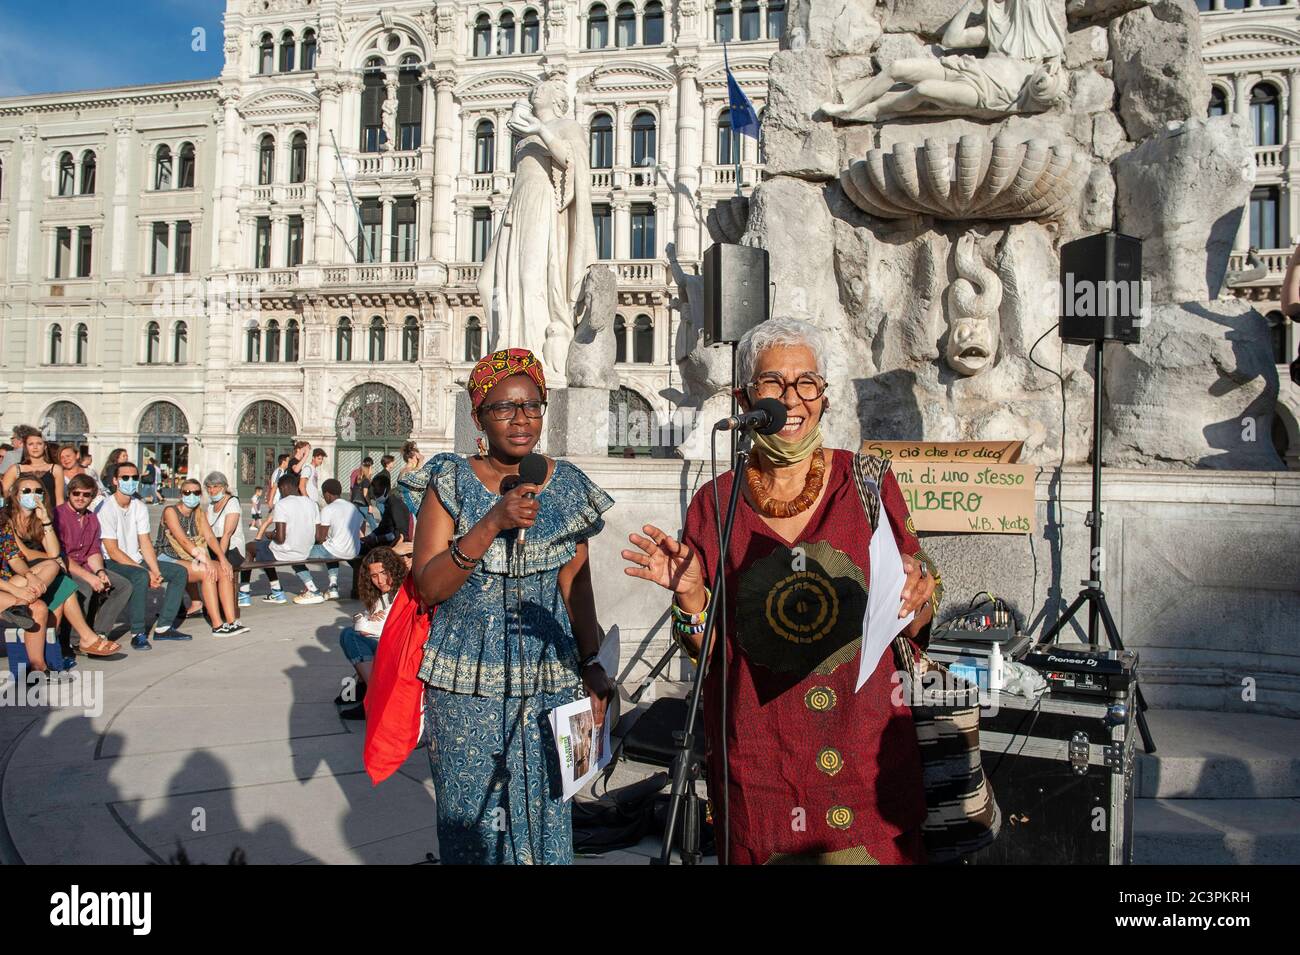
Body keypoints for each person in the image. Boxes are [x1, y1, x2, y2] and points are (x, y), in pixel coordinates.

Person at [622, 317, 940, 865]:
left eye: (807, 383)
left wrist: (919, 591)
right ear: (746, 397)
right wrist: (692, 597)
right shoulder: (714, 502)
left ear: (824, 396)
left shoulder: (867, 483)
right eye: (773, 383)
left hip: (864, 754)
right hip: (762, 762)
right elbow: (708, 652)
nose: (792, 399)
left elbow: (916, 619)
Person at [405, 346, 615, 865]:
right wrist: (492, 523)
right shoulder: (449, 480)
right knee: (471, 816)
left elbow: (576, 584)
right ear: (479, 415)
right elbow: (429, 585)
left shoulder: (566, 486)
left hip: (554, 677)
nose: (521, 419)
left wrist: (592, 664)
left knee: (549, 815)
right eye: (503, 407)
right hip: (464, 682)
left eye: (532, 406)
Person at [1, 474, 113, 664]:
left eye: (38, 491)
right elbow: (23, 554)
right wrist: (47, 565)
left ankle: (49, 658)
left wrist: (45, 519)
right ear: (15, 495)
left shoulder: (39, 517)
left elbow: (51, 552)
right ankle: (79, 641)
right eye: (27, 491)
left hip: (29, 575)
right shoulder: (5, 519)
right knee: (58, 579)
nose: (33, 495)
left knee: (61, 588)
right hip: (12, 579)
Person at [96, 461, 193, 649]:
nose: (130, 481)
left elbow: (145, 542)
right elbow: (113, 550)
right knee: (140, 576)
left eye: (134, 478)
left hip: (135, 559)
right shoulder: (106, 508)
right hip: (111, 562)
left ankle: (164, 628)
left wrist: (155, 571)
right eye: (125, 478)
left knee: (179, 572)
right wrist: (145, 571)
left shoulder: (139, 506)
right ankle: (138, 633)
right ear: (115, 480)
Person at [156, 478, 246, 636]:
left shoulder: (199, 513)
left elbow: (210, 538)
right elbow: (183, 540)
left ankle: (232, 622)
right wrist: (206, 561)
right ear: (181, 494)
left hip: (189, 557)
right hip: (167, 556)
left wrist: (222, 560)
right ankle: (217, 625)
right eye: (187, 492)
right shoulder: (171, 511)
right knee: (207, 571)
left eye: (196, 492)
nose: (192, 495)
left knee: (224, 570)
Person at [55, 473, 132, 652]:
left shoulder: (91, 518)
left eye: (86, 494)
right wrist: (90, 578)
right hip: (63, 567)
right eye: (76, 493)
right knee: (84, 587)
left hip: (85, 566)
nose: (81, 498)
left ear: (92, 497)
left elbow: (93, 551)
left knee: (123, 586)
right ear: (69, 493)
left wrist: (99, 572)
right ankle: (77, 641)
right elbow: (61, 556)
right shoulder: (58, 515)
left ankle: (99, 633)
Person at [335, 546, 405, 720]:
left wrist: (365, 621)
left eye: (384, 573)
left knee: (350, 636)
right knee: (350, 636)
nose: (381, 580)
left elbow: (368, 627)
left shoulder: (401, 593)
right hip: (388, 646)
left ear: (393, 570)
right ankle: (370, 694)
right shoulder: (381, 597)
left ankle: (374, 698)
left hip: (401, 649)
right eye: (374, 576)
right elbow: (366, 624)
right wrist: (366, 619)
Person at [249, 473, 322, 605]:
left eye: (279, 489)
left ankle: (250, 592)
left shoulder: (282, 504)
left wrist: (271, 535)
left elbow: (281, 538)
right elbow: (318, 536)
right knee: (275, 548)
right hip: (305, 550)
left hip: (286, 551)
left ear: (284, 487)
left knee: (252, 547)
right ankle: (312, 588)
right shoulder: (312, 504)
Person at [308, 479, 361, 600]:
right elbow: (361, 525)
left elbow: (320, 538)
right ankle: (333, 586)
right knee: (331, 546)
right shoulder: (353, 507)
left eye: (323, 495)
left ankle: (310, 588)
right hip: (353, 551)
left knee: (299, 552)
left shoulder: (328, 509)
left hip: (336, 550)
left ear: (327, 494)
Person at [204, 472, 249, 612]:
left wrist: (220, 559)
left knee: (217, 567)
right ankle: (203, 602)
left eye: (216, 486)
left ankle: (223, 605)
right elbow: (205, 532)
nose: (212, 490)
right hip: (214, 547)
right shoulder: (211, 505)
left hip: (232, 549)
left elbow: (227, 535)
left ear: (224, 486)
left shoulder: (232, 503)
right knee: (192, 565)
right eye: (209, 487)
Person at [2, 427, 64, 507]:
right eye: (31, 444)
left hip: (48, 516)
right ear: (26, 447)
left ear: (45, 446)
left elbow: (59, 500)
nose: (35, 447)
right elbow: (3, 493)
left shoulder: (56, 469)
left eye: (39, 444)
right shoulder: (16, 469)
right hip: (21, 517)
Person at [349, 457, 378, 534]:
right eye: (372, 467)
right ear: (369, 469)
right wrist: (370, 505)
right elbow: (365, 494)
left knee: (358, 524)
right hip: (364, 505)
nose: (373, 469)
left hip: (357, 504)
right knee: (373, 524)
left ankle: (357, 537)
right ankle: (378, 539)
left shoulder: (359, 479)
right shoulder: (366, 480)